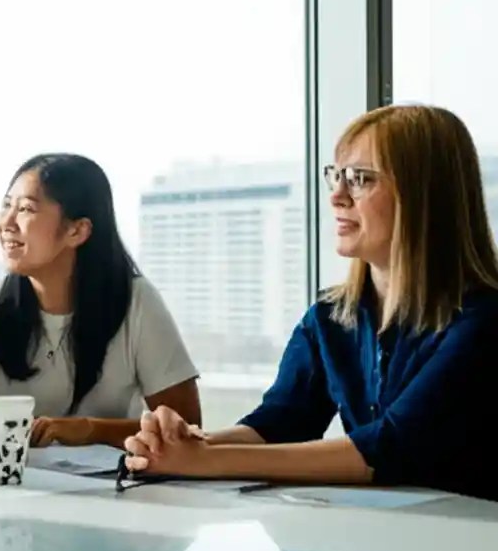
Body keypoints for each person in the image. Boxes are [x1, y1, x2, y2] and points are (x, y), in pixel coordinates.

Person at [124, 105, 498, 501]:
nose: (337, 196)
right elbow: (278, 424)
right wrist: (184, 445)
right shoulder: (330, 318)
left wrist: (203, 461)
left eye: (360, 179)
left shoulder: (484, 321)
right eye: (336, 176)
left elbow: (388, 448)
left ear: (425, 196)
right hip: (384, 529)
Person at [0, 153, 200, 456]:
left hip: (109, 485)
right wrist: (31, 430)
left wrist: (89, 430)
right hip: (9, 484)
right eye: (7, 205)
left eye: (26, 209)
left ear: (77, 230)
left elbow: (186, 428)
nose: (7, 223)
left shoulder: (136, 302)